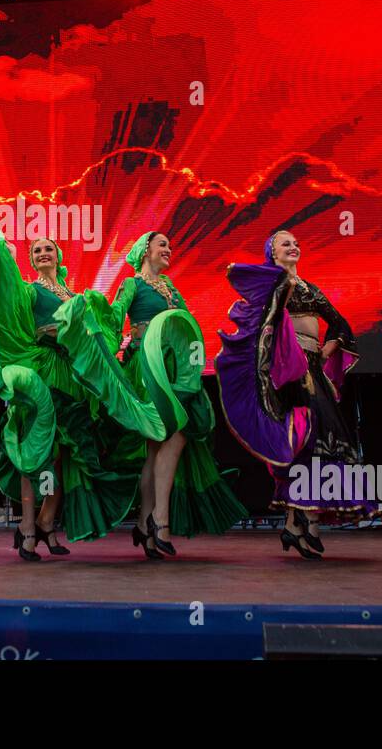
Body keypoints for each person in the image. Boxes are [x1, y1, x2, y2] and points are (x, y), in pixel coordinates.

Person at [0, 229, 162, 560]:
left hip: (70, 375)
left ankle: (47, 521)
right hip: (44, 372)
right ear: (32, 260)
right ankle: (28, 527)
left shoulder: (72, 294)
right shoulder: (30, 292)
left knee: (63, 452)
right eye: (37, 251)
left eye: (49, 249)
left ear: (58, 256)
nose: (43, 253)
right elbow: (8, 301)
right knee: (39, 450)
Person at [217, 230, 376, 561]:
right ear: (272, 253)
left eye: (295, 243)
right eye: (284, 243)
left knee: (325, 444)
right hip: (290, 376)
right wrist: (289, 359)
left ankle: (299, 524)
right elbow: (265, 328)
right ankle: (301, 524)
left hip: (312, 370)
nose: (293, 246)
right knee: (304, 443)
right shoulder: (275, 286)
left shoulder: (310, 289)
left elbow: (341, 326)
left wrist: (322, 351)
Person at [111, 232, 246, 558]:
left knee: (165, 442)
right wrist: (123, 339)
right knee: (164, 440)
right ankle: (159, 520)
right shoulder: (132, 285)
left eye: (170, 246)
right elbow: (114, 317)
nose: (168, 250)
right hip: (150, 366)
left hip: (176, 367)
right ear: (145, 250)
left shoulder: (170, 286)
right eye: (162, 245)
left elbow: (188, 325)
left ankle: (148, 523)